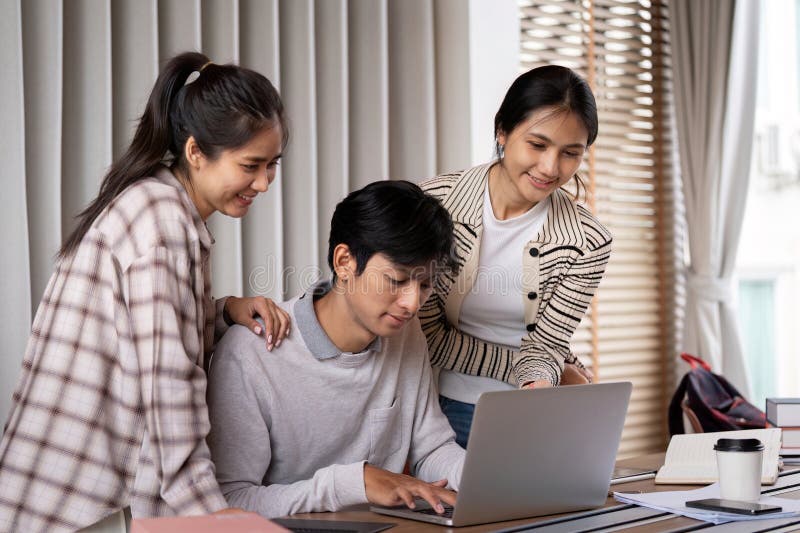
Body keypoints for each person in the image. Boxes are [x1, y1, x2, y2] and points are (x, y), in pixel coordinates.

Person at [0, 52, 291, 532]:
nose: (263, 182)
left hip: (54, 491)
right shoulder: (162, 228)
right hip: (80, 507)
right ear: (196, 151)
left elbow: (141, 330)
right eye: (251, 165)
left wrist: (224, 312)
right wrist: (214, 517)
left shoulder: (152, 201)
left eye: (272, 165)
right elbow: (169, 388)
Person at [206, 180, 465, 518]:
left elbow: (431, 450)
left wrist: (489, 478)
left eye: (425, 284)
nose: (412, 302)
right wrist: (352, 483)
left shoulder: (403, 329)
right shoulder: (250, 352)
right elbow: (230, 501)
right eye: (397, 280)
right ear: (344, 262)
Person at [419, 65, 613, 448]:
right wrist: (544, 372)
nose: (550, 168)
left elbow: (547, 345)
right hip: (439, 403)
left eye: (570, 153)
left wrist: (543, 378)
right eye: (538, 145)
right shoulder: (433, 205)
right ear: (503, 132)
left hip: (534, 405)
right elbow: (425, 335)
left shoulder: (588, 240)